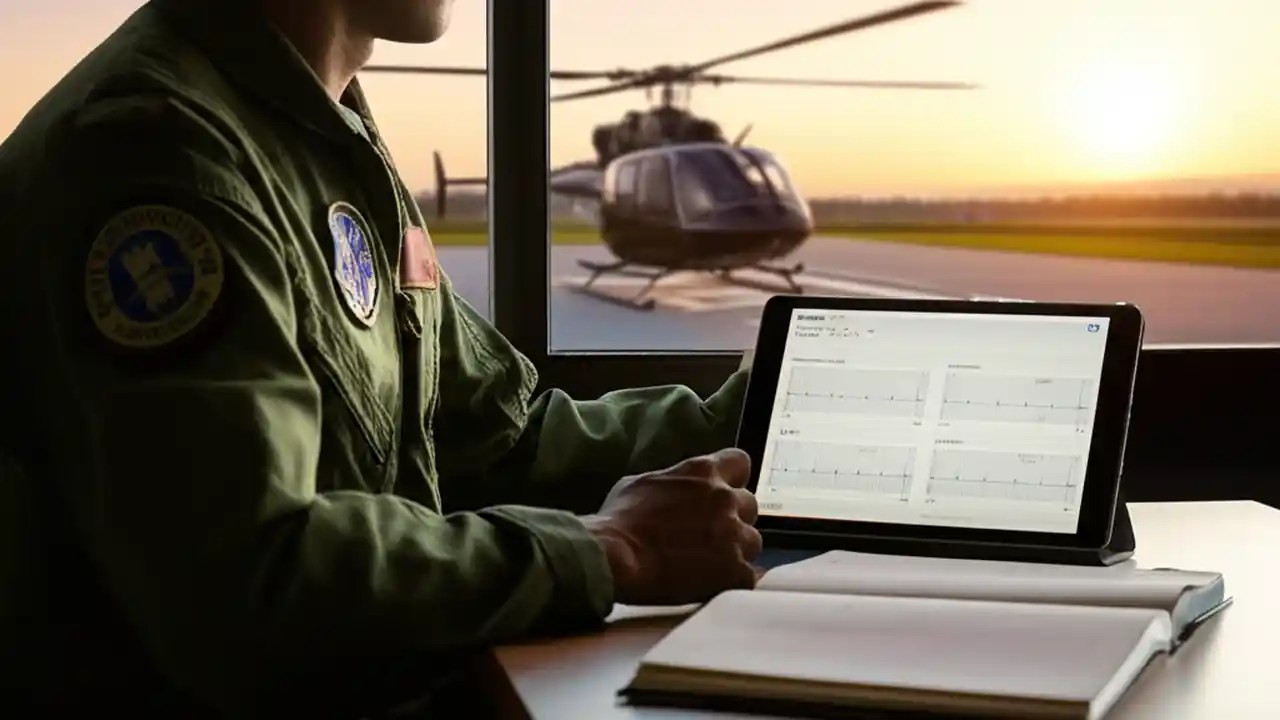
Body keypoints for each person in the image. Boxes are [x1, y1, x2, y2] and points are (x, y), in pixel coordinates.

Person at [0, 0, 760, 715]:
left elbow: (491, 434)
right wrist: (611, 549)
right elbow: (245, 582)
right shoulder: (154, 150)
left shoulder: (315, 133)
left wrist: (756, 411)